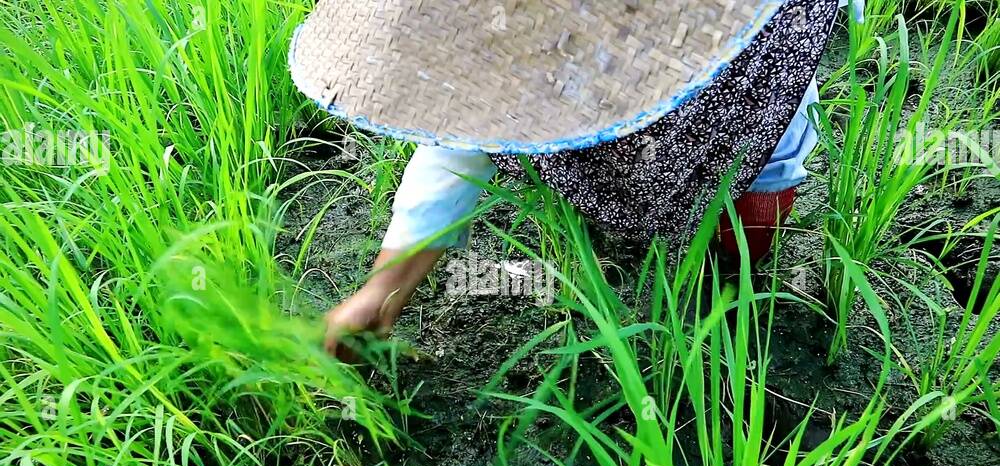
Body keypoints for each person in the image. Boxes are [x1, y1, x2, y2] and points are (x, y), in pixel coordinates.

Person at [288, 0, 864, 359]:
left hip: (742, 129)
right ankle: (614, 200)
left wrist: (742, 245)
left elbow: (783, 114)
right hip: (615, 154)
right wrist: (383, 287)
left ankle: (726, 272)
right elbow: (462, 138)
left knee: (747, 222)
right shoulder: (512, 49)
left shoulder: (762, 41)